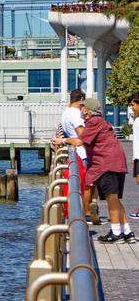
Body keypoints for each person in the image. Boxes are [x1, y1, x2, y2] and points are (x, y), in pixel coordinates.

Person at [56, 96, 134, 243]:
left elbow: (79, 141)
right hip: (114, 162)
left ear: (87, 110)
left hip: (107, 163)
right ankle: (127, 232)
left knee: (111, 199)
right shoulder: (99, 121)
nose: (80, 110)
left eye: (82, 107)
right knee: (115, 198)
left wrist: (63, 140)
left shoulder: (93, 122)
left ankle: (116, 233)